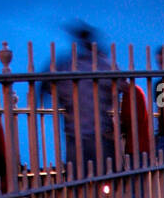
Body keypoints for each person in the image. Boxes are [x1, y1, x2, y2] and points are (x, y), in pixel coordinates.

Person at [46, 24, 116, 177]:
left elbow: (48, 85)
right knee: (106, 179)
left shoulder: (67, 66)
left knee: (78, 182)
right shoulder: (103, 65)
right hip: (99, 133)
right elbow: (120, 87)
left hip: (75, 134)